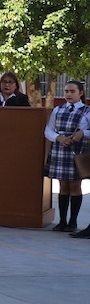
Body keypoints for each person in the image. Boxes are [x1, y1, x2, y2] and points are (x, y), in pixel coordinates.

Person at [46, 80, 87, 232]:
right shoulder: (58, 109)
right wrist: (58, 138)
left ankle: (73, 222)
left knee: (75, 186)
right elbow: (48, 130)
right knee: (63, 185)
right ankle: (62, 221)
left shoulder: (87, 111)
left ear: (80, 93)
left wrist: (83, 133)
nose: (68, 94)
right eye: (66, 91)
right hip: (60, 149)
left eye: (72, 91)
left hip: (77, 151)